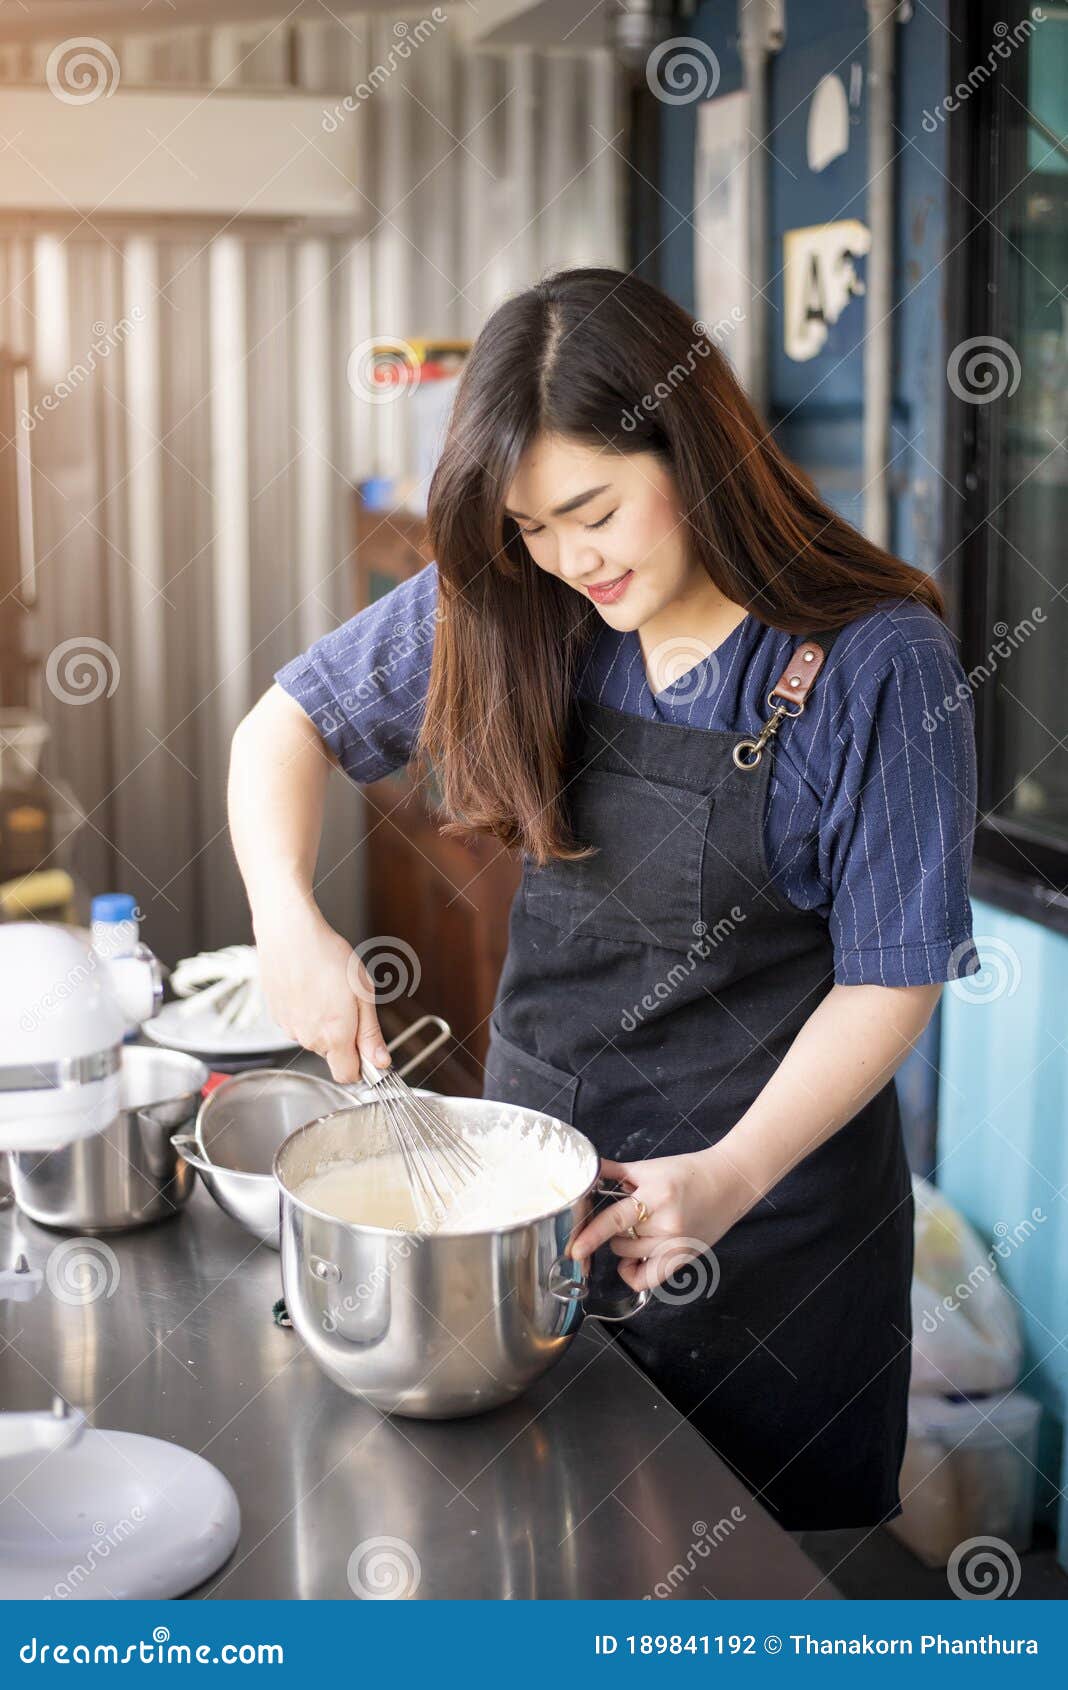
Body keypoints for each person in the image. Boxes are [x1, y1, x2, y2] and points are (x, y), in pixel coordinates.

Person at [228, 267, 979, 1532]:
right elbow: (282, 727)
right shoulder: (522, 604)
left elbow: (891, 977)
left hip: (772, 1244)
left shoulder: (875, 662)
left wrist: (729, 1176)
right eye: (530, 527)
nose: (569, 561)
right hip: (528, 1239)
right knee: (546, 1571)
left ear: (693, 450)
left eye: (593, 510)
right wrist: (284, 915)